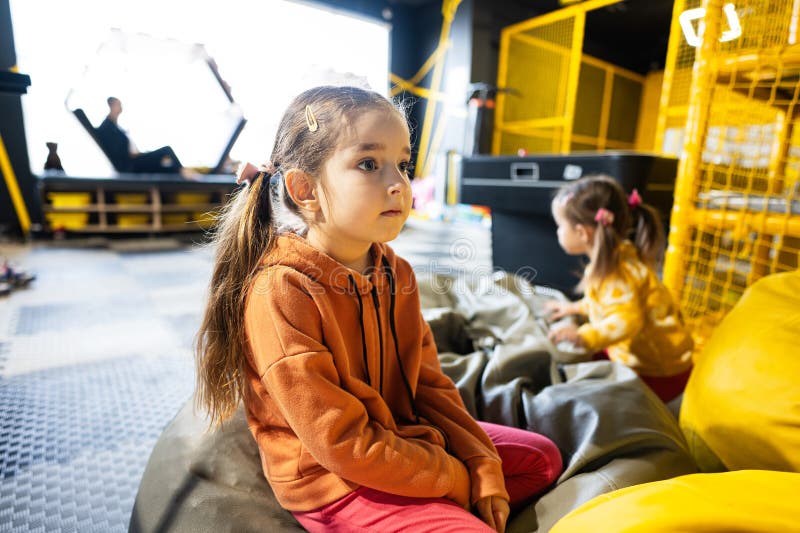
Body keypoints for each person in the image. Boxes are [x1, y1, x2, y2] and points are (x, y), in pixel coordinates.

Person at [195, 86, 562, 532]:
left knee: (540, 460)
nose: (399, 184)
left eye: (403, 165)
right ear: (305, 189)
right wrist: (453, 477)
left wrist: (481, 466)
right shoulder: (281, 291)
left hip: (400, 434)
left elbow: (430, 383)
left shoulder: (396, 272)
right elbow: (340, 442)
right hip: (334, 480)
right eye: (369, 164)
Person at [545, 175, 693, 403]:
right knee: (586, 359)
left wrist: (582, 336)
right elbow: (606, 303)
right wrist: (574, 308)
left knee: (587, 387)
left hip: (659, 371)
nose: (558, 232)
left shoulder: (617, 274)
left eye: (560, 226)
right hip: (645, 354)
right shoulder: (617, 257)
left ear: (582, 232)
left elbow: (627, 321)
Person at [95, 96, 184, 174]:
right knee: (166, 150)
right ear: (111, 106)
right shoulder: (107, 127)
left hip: (132, 161)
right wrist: (137, 155)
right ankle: (184, 173)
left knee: (168, 167)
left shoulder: (115, 127)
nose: (121, 108)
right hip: (129, 165)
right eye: (118, 105)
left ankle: (179, 177)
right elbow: (119, 153)